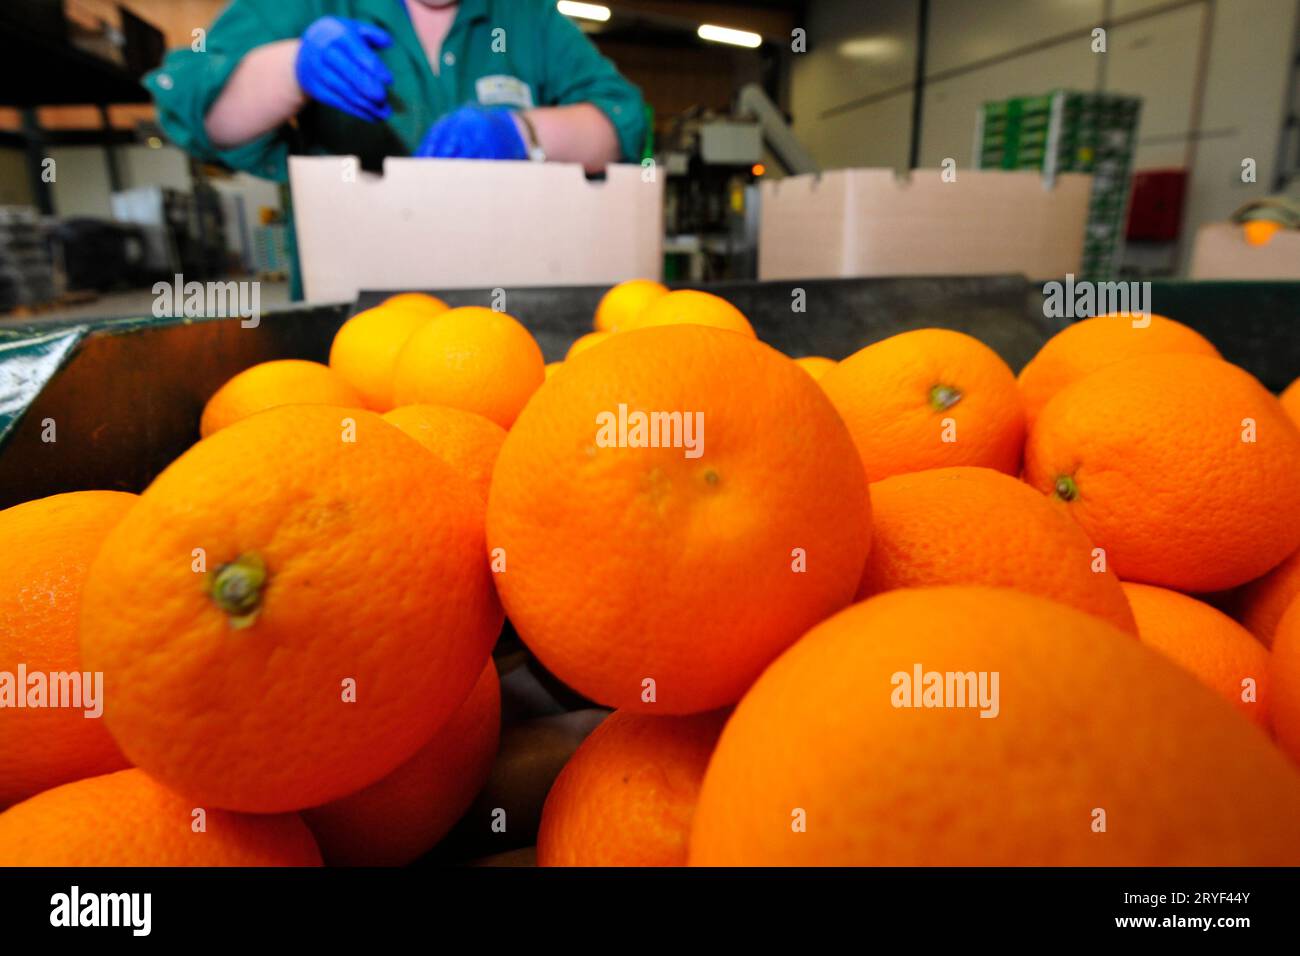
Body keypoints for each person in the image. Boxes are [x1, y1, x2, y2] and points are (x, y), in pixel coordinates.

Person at [145, 0, 647, 294]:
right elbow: (191, 104)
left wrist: (524, 133)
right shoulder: (312, 5)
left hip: (503, 310)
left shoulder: (525, 17)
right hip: (350, 310)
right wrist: (292, 68)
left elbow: (622, 120)